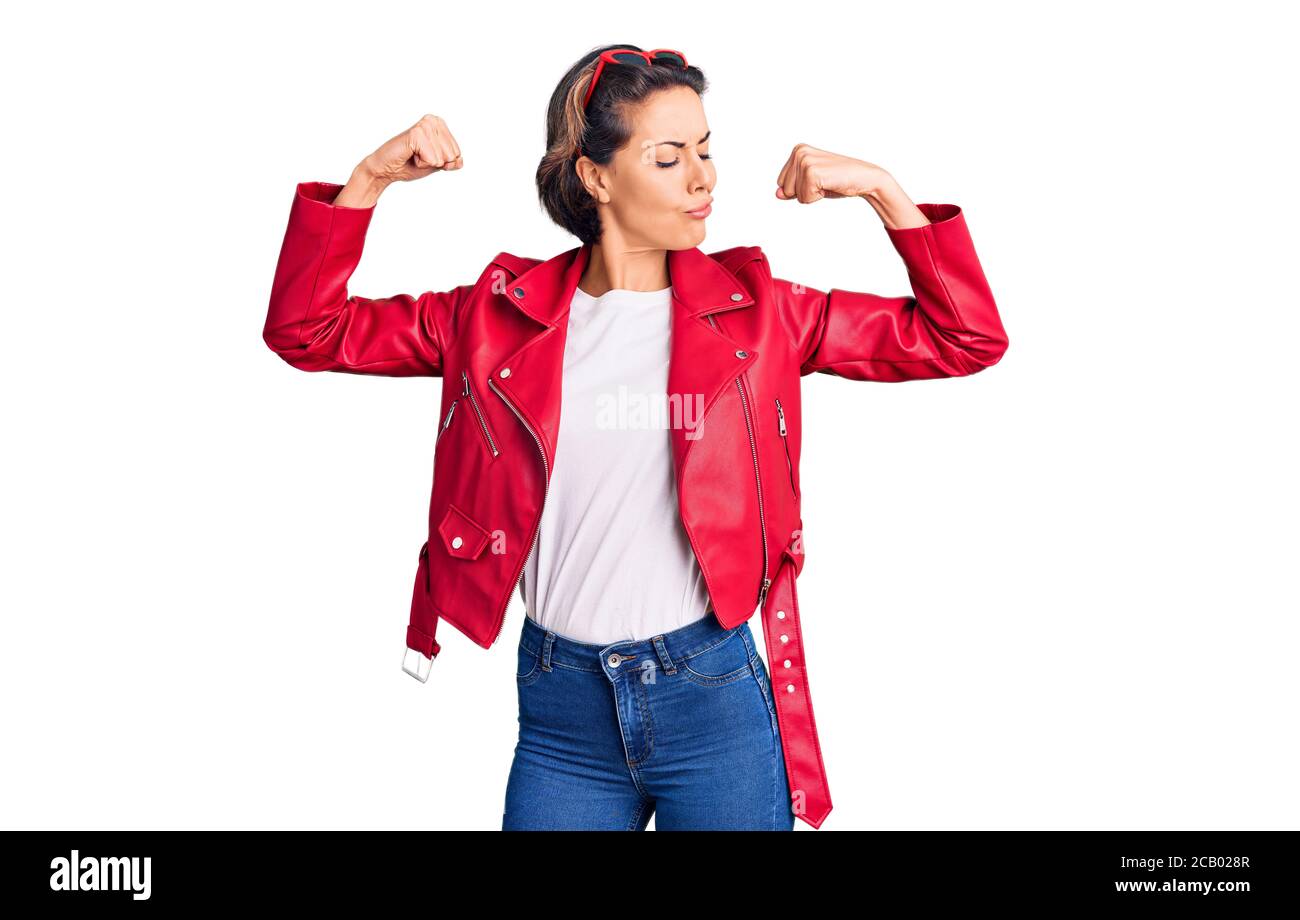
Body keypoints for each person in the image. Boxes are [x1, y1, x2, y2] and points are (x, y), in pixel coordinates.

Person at [263, 44, 1009, 830]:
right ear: (596, 177)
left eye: (706, 150)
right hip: (562, 719)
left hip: (714, 702)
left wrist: (883, 193)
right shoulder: (491, 317)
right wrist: (369, 181)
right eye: (668, 157)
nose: (703, 177)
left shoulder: (764, 312)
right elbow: (309, 331)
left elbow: (963, 338)